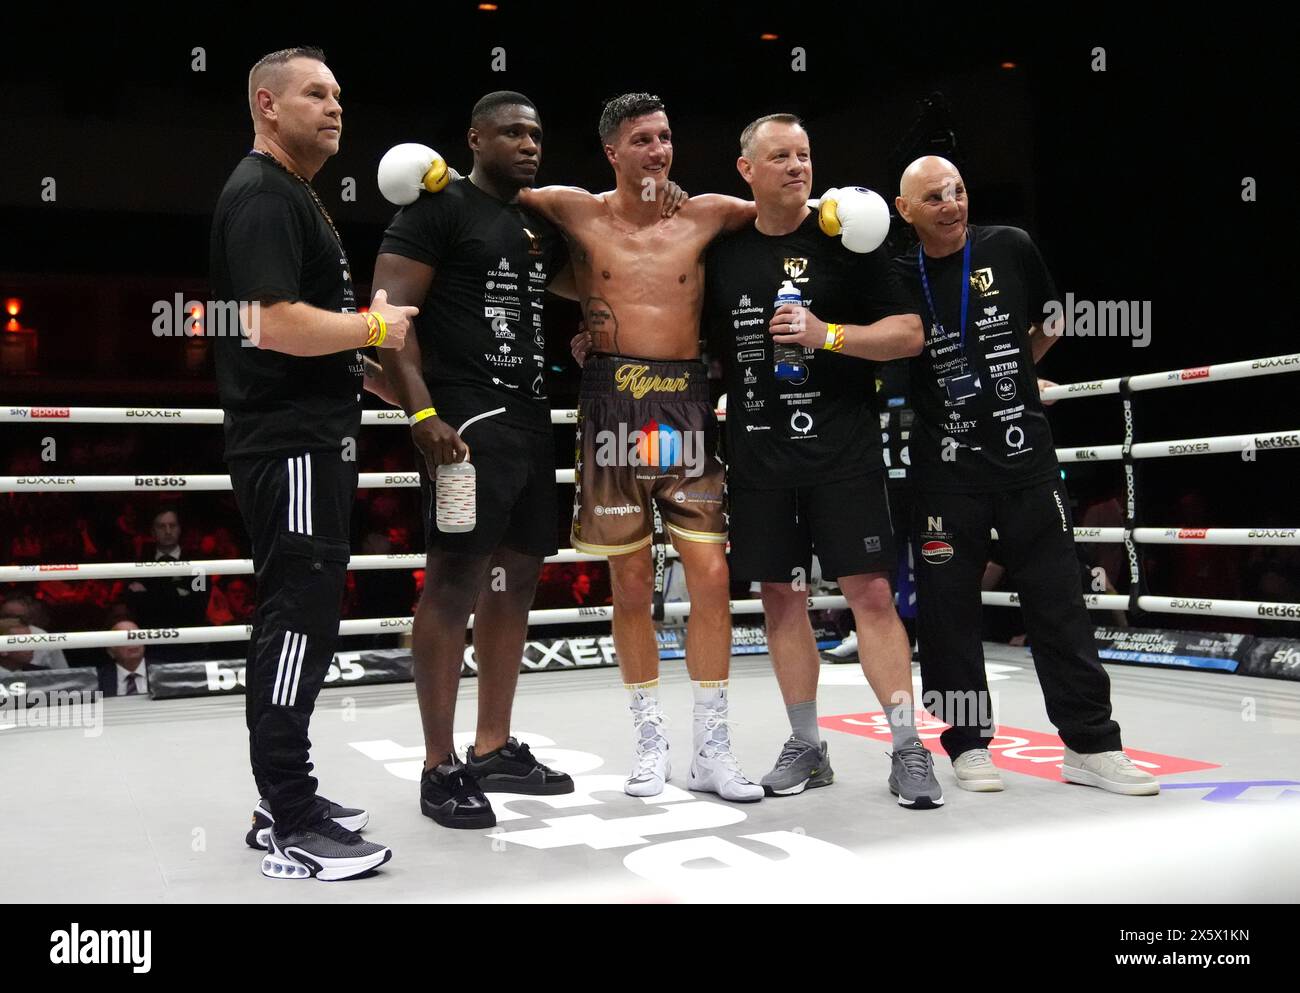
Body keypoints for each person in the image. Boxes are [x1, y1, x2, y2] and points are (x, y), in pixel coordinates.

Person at [211, 46, 416, 879]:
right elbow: (267, 324)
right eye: (315, 94)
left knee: (306, 617)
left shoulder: (294, 193)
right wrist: (372, 328)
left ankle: (281, 801)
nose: (335, 107)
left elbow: (305, 335)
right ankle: (290, 817)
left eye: (338, 93)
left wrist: (371, 373)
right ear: (267, 104)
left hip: (311, 435)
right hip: (288, 443)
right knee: (297, 620)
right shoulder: (263, 194)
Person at [890, 155, 1157, 796]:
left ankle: (1092, 745)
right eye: (934, 198)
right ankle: (968, 746)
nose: (952, 204)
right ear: (905, 211)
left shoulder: (1009, 246)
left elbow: (1050, 319)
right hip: (945, 470)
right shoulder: (895, 274)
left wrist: (1011, 380)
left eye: (958, 190)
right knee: (950, 616)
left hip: (1026, 459)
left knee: (1059, 604)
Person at [523, 93, 764, 801]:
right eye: (642, 140)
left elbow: (787, 216)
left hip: (685, 405)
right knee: (629, 584)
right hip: (610, 404)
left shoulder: (709, 213)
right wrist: (432, 182)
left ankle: (712, 747)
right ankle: (649, 740)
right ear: (611, 151)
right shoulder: (577, 211)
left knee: (712, 575)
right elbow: (501, 189)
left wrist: (842, 205)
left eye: (664, 138)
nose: (658, 151)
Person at [702, 114, 940, 808]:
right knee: (781, 595)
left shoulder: (848, 237)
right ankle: (807, 746)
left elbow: (909, 334)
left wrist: (825, 333)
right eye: (780, 156)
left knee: (870, 592)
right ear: (746, 169)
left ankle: (907, 747)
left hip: (843, 450)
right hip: (758, 455)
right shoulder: (726, 250)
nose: (797, 166)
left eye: (804, 153)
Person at [373, 91, 577, 830]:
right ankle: (439, 764)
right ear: (474, 138)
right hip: (462, 429)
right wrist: (422, 414)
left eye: (537, 133)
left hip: (527, 422)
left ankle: (493, 745)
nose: (529, 144)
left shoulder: (531, 225)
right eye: (512, 133)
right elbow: (385, 325)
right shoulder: (435, 210)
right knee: (454, 577)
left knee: (517, 575)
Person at [124, 507, 210, 661]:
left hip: (190, 646)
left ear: (180, 529)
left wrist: (149, 594)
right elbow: (134, 607)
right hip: (150, 646)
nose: (168, 531)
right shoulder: (138, 562)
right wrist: (178, 594)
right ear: (152, 532)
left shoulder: (197, 563)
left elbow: (196, 607)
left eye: (172, 525)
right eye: (161, 526)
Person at [1, 595, 68, 670]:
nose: (13, 621)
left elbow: (62, 672)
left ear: (29, 618)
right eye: (6, 616)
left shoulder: (44, 637)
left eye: (19, 618)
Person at [96, 620, 150, 696]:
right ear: (110, 650)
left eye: (136, 636)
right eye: (125, 638)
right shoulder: (98, 679)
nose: (132, 642)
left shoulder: (163, 672)